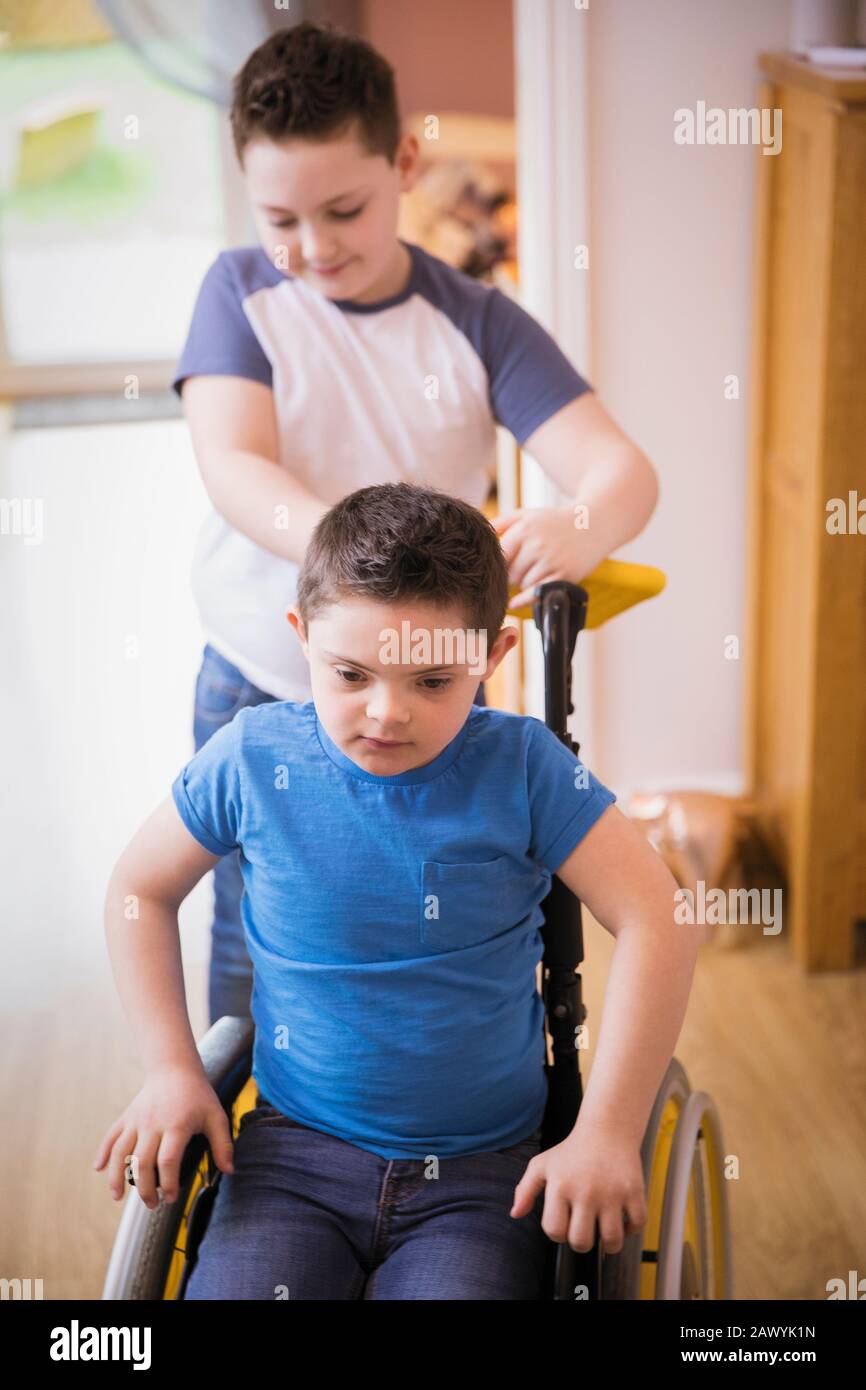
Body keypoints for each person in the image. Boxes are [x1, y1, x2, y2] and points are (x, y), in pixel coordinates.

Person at [93, 483, 696, 1301]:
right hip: (293, 1160)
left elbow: (661, 915)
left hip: (483, 1180)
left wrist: (608, 1132)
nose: (386, 712)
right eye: (350, 673)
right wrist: (171, 1067)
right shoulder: (251, 760)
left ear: (493, 656)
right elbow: (138, 887)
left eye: (432, 681)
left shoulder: (524, 767)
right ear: (301, 638)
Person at [172, 20, 659, 1027]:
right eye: (279, 219)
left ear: (404, 161)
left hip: (425, 691)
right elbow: (233, 464)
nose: (310, 248)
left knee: (408, 914)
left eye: (342, 209)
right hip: (261, 669)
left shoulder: (477, 321)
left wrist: (580, 520)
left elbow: (621, 472)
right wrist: (359, 557)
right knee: (250, 922)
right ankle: (228, 1137)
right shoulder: (239, 294)